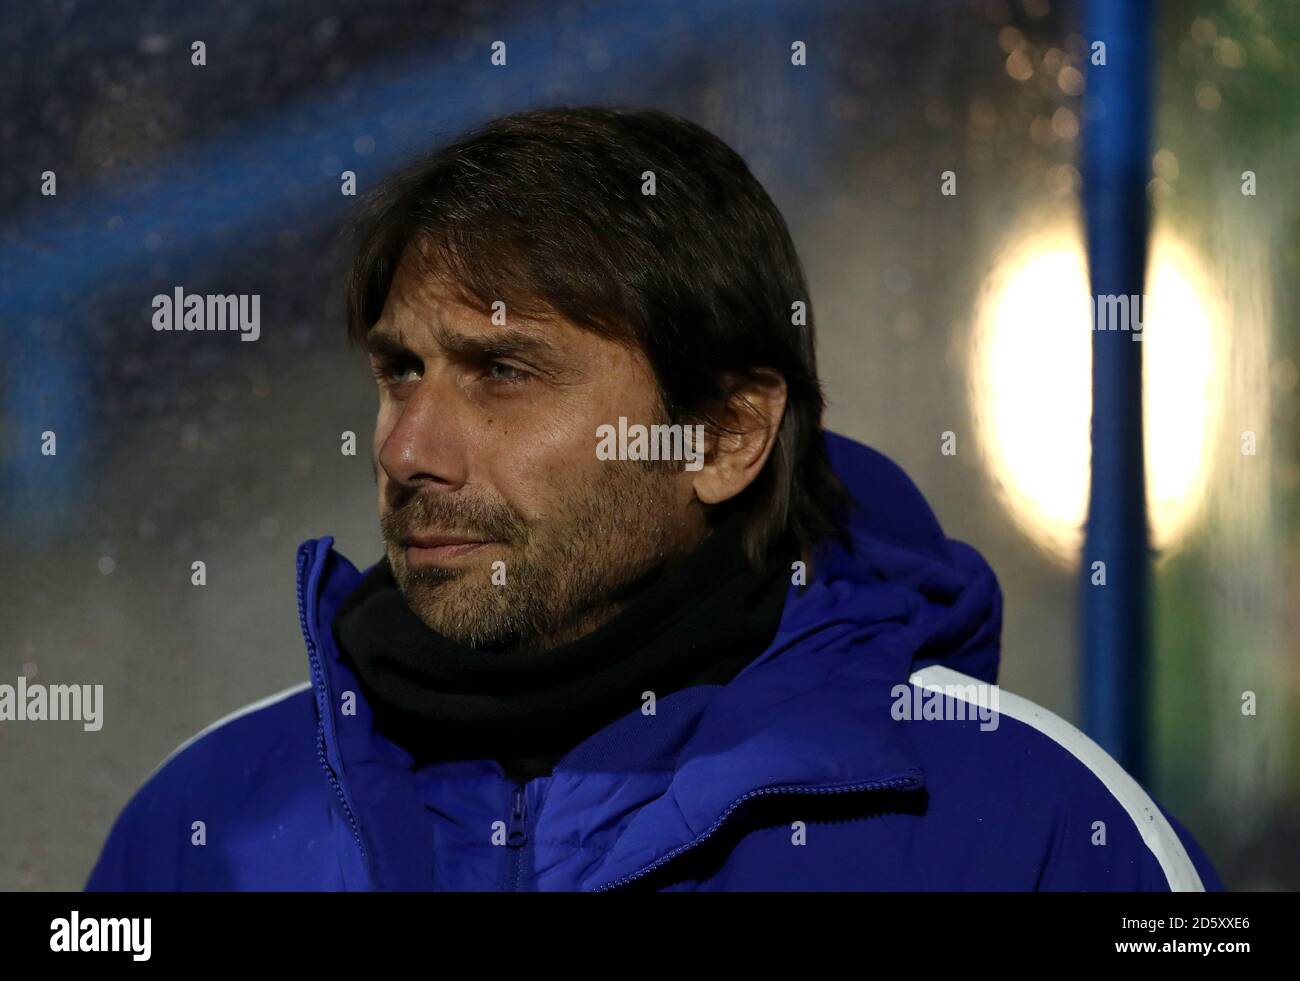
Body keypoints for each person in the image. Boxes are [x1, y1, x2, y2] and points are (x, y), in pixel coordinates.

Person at [86, 105, 1221, 891]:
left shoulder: (1025, 829)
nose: (409, 448)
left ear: (725, 437)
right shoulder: (204, 828)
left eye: (503, 373)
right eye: (399, 371)